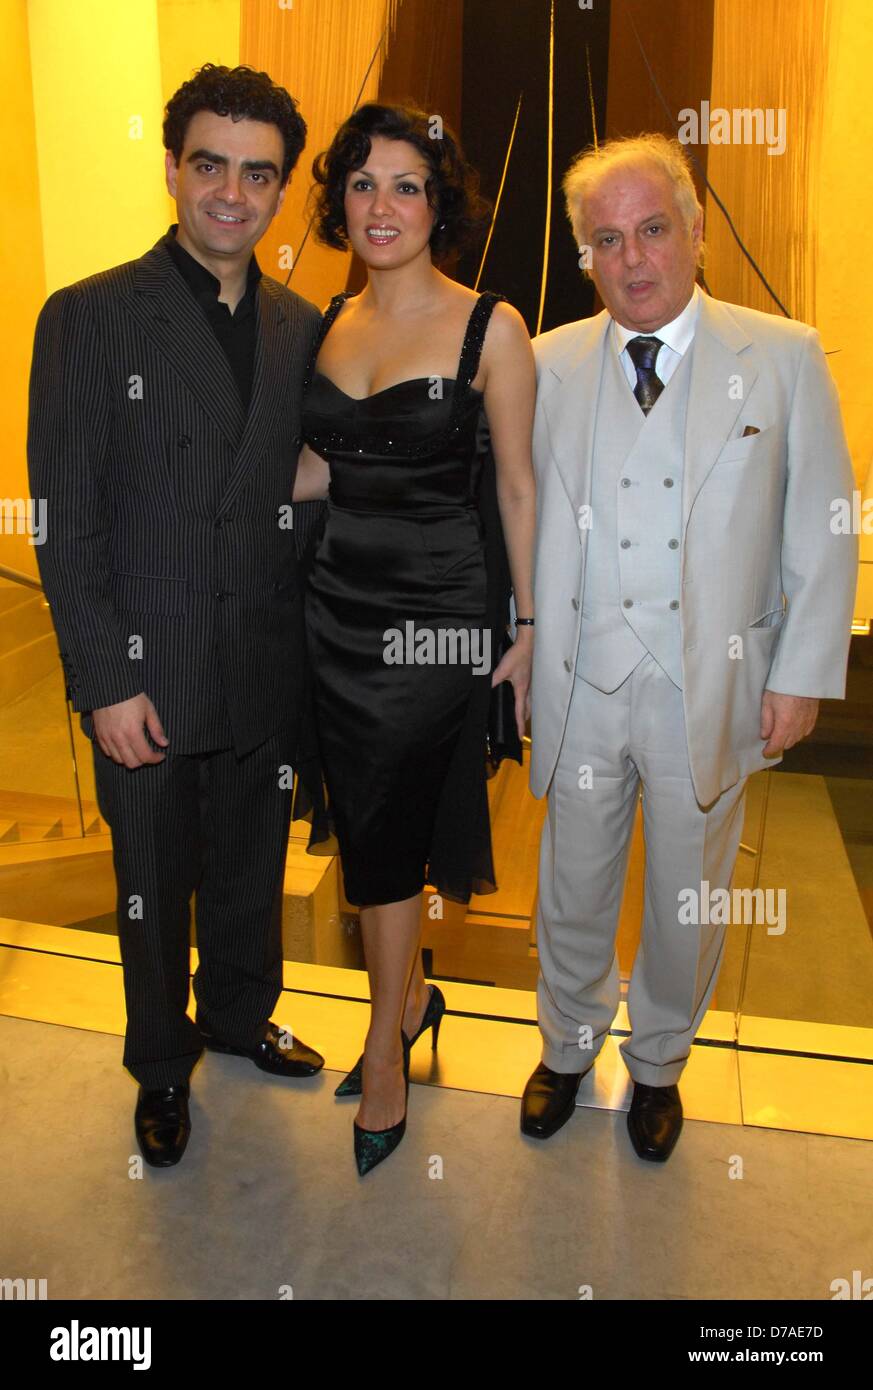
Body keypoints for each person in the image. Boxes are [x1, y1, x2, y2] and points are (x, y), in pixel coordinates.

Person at [523, 133, 858, 1160]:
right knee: (571, 880)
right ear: (584, 255)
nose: (632, 259)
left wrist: (801, 675)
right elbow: (515, 513)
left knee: (687, 889)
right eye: (606, 240)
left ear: (696, 230)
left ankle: (660, 1060)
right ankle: (568, 1046)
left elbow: (824, 521)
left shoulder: (786, 354)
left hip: (708, 684)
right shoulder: (545, 363)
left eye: (653, 230)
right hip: (583, 678)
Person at [27, 64, 326, 1169]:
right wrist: (105, 676)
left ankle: (241, 1016)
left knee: (253, 862)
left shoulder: (300, 324)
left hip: (259, 659)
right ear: (172, 169)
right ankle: (160, 1062)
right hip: (147, 666)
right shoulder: (93, 315)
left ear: (282, 189)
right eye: (211, 165)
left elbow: (277, 474)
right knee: (153, 876)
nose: (233, 193)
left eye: (259, 173)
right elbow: (66, 516)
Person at [293, 103, 536, 1174]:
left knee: (386, 827)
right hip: (330, 613)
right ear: (338, 199)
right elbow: (321, 470)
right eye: (362, 183)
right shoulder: (323, 324)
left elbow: (521, 490)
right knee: (362, 820)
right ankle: (416, 996)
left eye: (406, 186)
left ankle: (384, 1048)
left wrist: (525, 628)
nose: (381, 206)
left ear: (441, 206)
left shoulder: (494, 325)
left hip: (437, 621)